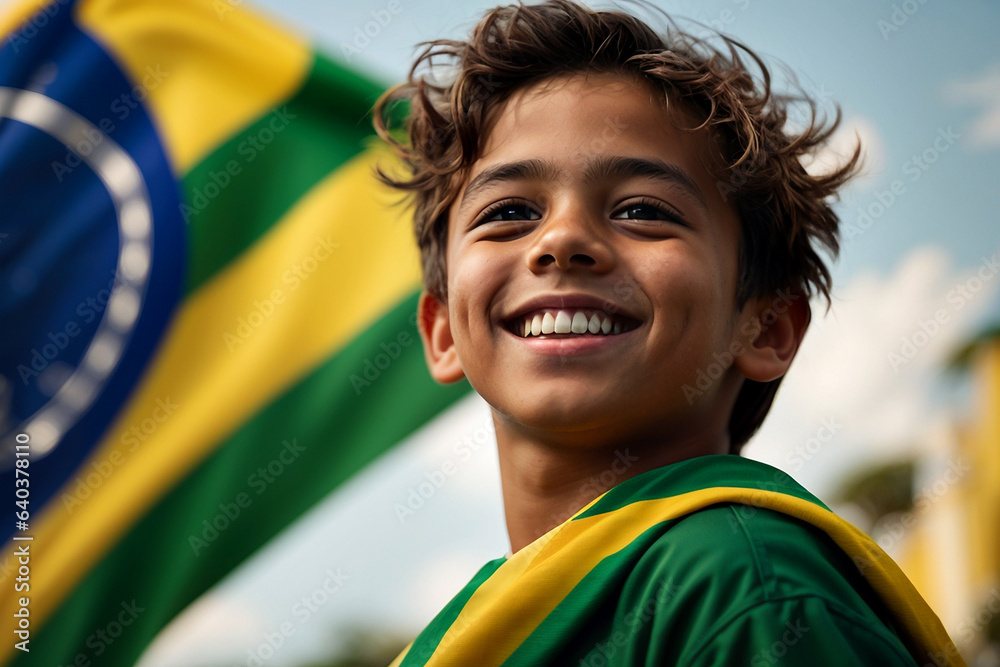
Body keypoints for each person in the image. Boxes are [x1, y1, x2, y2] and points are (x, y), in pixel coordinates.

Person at [372, 1, 965, 664]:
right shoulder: (450, 642)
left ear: (765, 327)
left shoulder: (741, 584)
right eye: (509, 211)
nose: (563, 239)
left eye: (643, 210)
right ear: (442, 330)